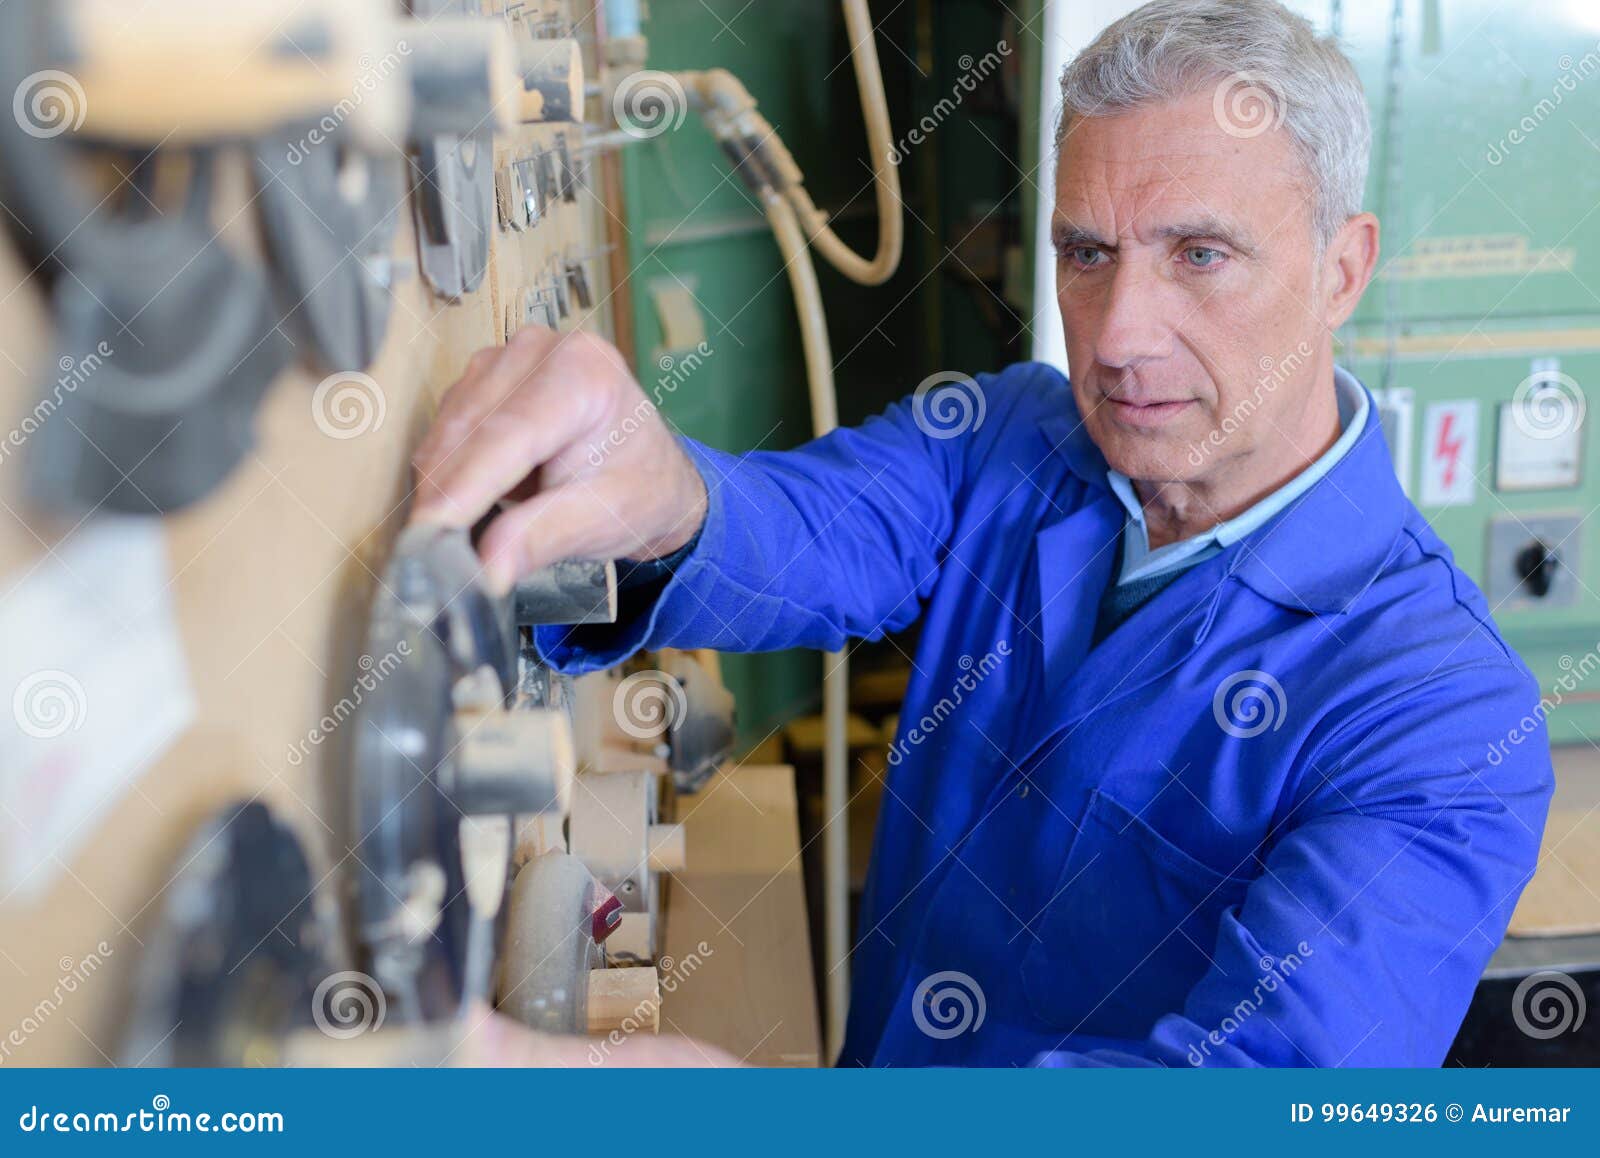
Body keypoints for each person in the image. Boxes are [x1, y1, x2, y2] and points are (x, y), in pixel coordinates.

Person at [412, 0, 1553, 1066]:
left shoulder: (1442, 719)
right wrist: (661, 490)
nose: (1115, 337)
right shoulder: (1011, 438)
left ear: (1341, 268)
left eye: (1199, 255)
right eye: (1087, 255)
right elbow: (806, 527)